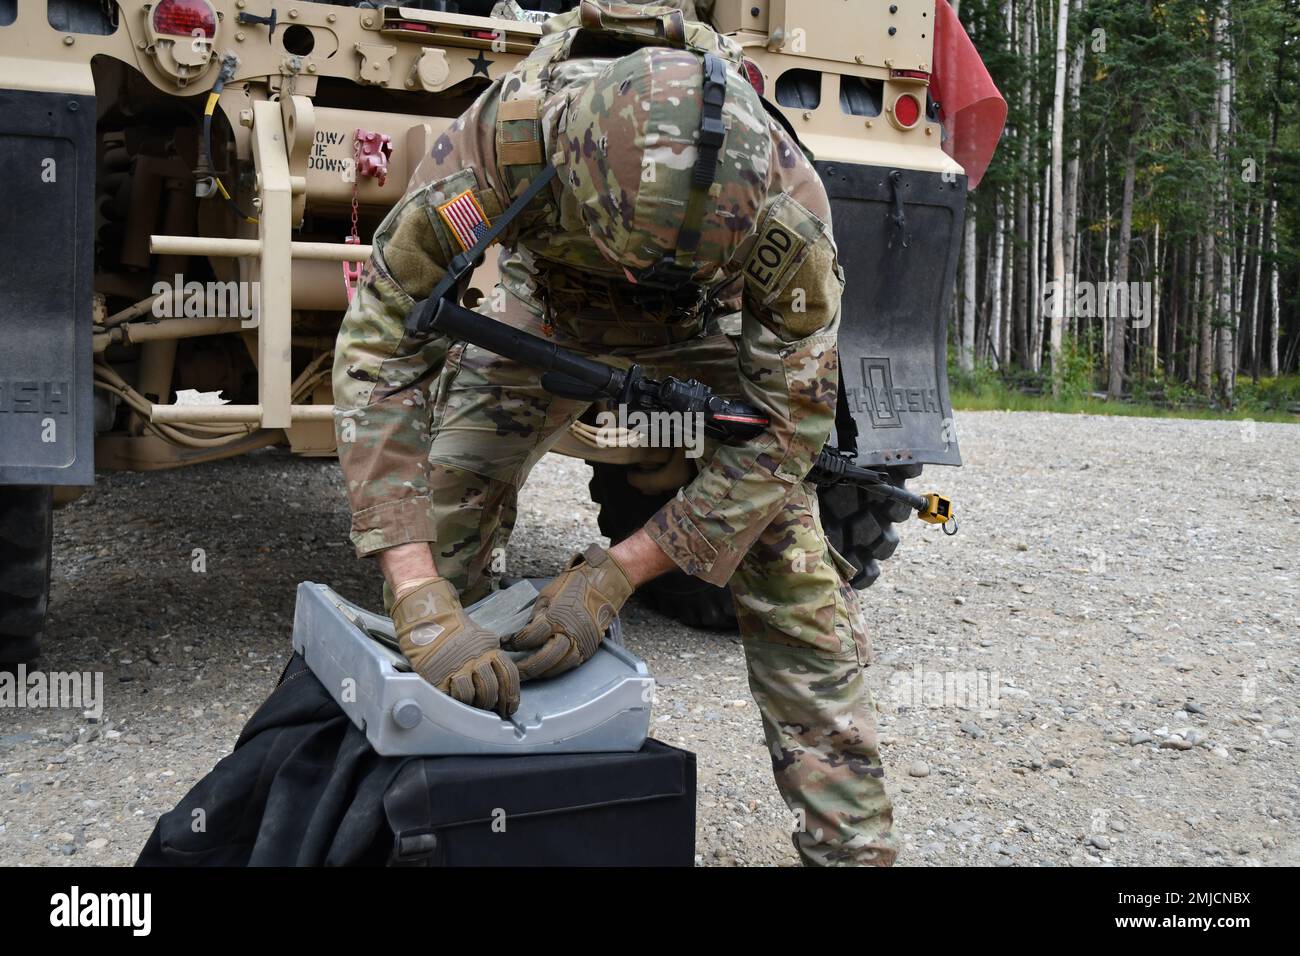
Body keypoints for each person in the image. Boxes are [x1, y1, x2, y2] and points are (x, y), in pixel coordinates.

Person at [332, 1, 895, 866]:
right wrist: (415, 591)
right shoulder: (505, 146)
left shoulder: (788, 205)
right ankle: (438, 821)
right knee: (438, 546)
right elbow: (383, 344)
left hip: (706, 331)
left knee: (792, 577)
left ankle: (851, 850)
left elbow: (786, 429)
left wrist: (616, 573)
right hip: (543, 316)